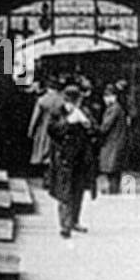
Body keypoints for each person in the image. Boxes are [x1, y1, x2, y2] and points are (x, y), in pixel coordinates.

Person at [47, 85, 96, 238]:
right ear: (65, 100)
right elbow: (52, 130)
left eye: (75, 102)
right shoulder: (57, 113)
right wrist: (68, 122)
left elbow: (95, 130)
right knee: (65, 193)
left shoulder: (83, 112)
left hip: (80, 159)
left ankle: (74, 221)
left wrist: (87, 124)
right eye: (70, 102)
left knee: (78, 191)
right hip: (64, 159)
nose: (73, 105)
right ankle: (65, 226)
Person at [27, 79, 63, 187]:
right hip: (57, 130)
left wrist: (31, 131)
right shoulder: (61, 100)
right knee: (54, 155)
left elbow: (35, 118)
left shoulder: (42, 100)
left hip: (44, 131)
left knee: (43, 155)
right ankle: (52, 180)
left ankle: (46, 179)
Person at [98, 85, 129, 194]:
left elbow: (105, 126)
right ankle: (113, 189)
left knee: (112, 168)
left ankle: (113, 190)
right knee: (114, 168)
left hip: (112, 142)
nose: (105, 99)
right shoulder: (118, 108)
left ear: (113, 97)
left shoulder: (114, 109)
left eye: (107, 96)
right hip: (116, 141)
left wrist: (96, 129)